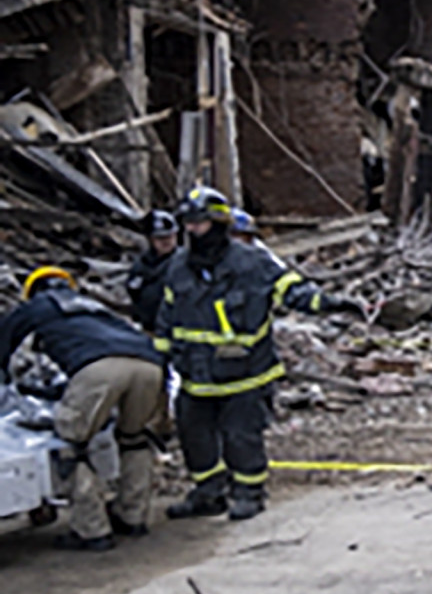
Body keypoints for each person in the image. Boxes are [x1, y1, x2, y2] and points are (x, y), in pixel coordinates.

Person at [158, 187, 359, 522]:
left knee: (241, 437)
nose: (191, 230)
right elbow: (167, 315)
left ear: (219, 224)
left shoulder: (251, 263)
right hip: (196, 375)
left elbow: (290, 289)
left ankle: (249, 493)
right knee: (195, 437)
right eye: (188, 224)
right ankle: (208, 494)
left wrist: (328, 303)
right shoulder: (179, 267)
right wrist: (160, 362)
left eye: (199, 223)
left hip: (245, 374)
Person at [0, 267, 166, 550]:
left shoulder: (39, 306)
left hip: (98, 368)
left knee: (69, 446)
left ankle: (91, 530)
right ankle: (132, 516)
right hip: (149, 364)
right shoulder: (94, 307)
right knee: (133, 438)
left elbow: (4, 346)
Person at [125, 211, 179, 334]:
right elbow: (133, 290)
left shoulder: (184, 262)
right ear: (151, 239)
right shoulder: (142, 264)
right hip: (148, 328)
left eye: (169, 236)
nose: (166, 242)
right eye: (160, 238)